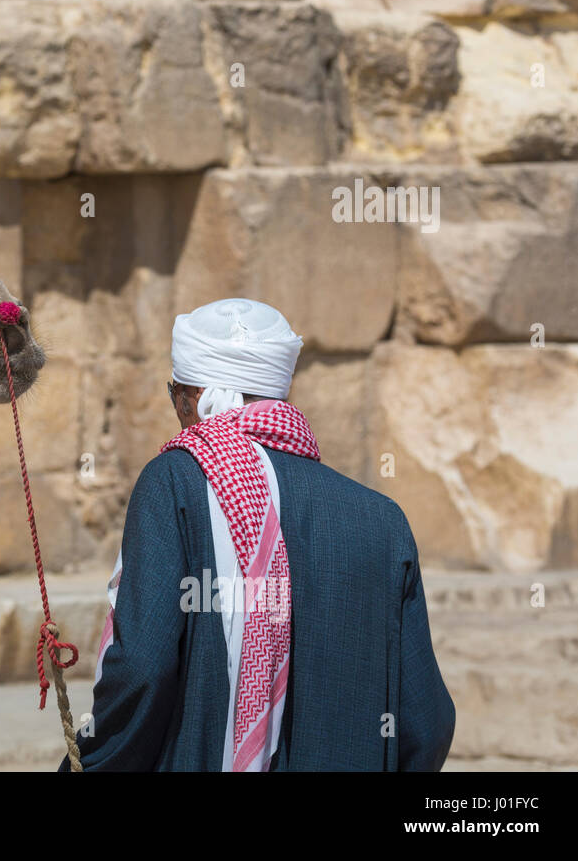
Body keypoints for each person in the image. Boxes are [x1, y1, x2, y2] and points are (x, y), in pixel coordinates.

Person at [68, 298, 455, 771]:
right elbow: (426, 723)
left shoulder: (175, 483)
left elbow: (141, 672)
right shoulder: (382, 519)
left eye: (174, 394)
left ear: (192, 396)